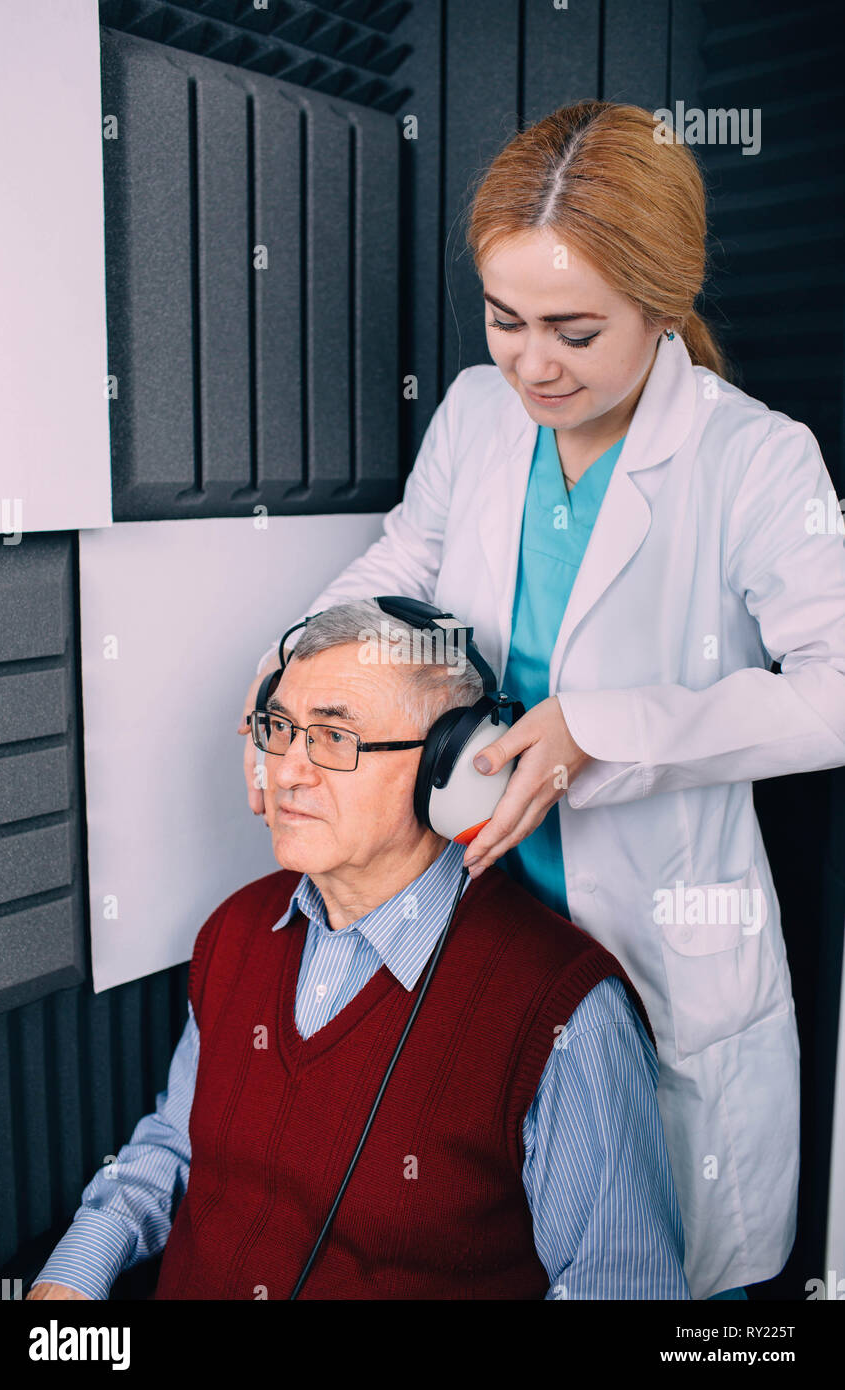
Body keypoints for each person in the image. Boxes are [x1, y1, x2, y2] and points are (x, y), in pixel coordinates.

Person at [238, 101, 845, 1299]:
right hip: (478, 916)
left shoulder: (754, 460)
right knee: (490, 1240)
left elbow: (834, 694)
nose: (530, 363)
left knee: (655, 1272)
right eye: (503, 319)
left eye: (572, 329)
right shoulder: (476, 413)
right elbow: (404, 562)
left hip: (655, 944)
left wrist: (599, 731)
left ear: (660, 304)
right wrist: (293, 656)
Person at [28, 602, 690, 1300]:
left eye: (334, 739)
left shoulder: (565, 1013)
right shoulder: (234, 932)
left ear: (452, 772)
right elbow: (177, 1145)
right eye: (279, 730)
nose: (284, 772)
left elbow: (620, 1287)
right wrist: (71, 1281)